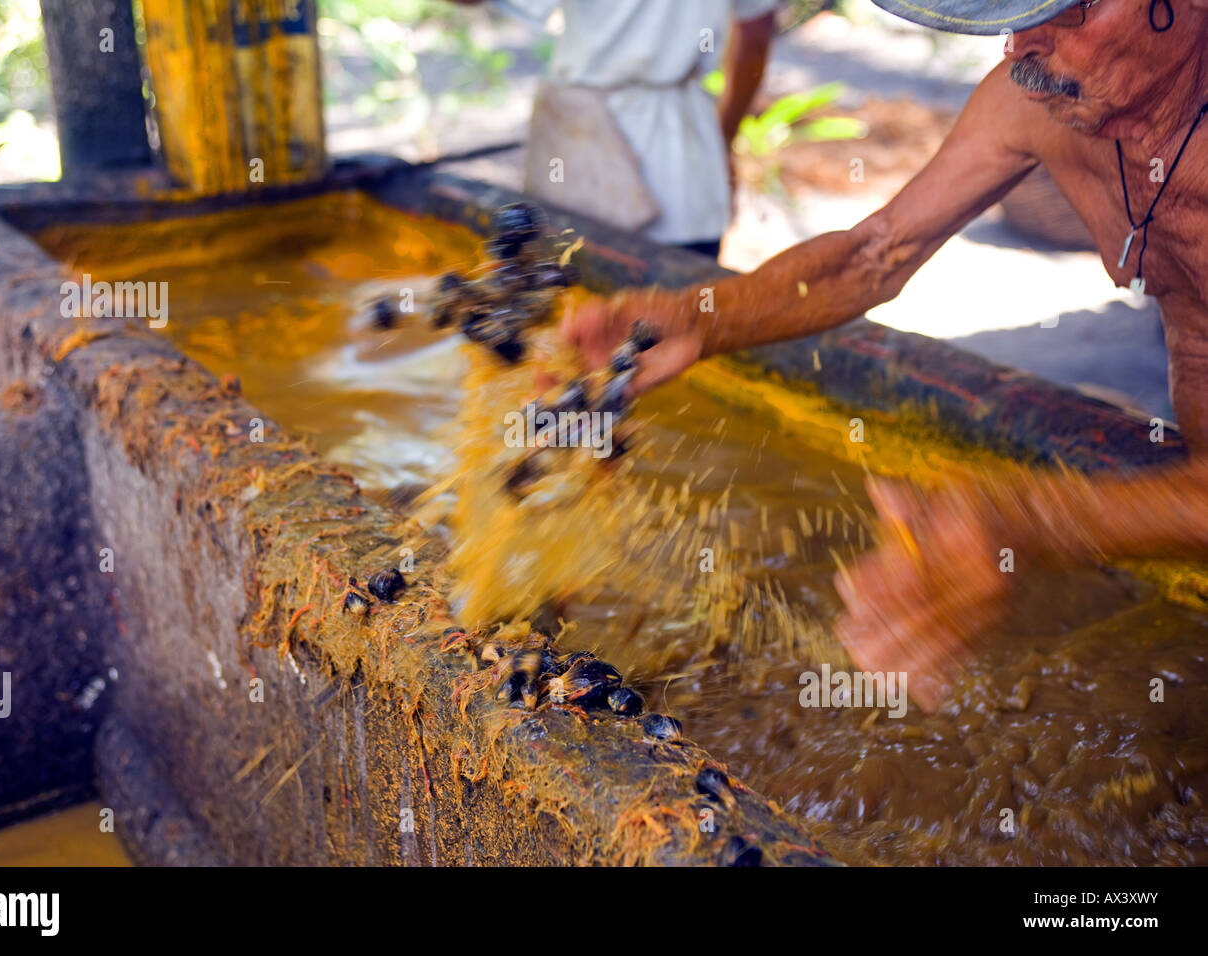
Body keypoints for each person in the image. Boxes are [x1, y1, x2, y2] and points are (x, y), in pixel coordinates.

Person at [562, 0, 1208, 710]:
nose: (1020, 46)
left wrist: (1031, 516)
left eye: (1072, 9)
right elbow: (876, 253)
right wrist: (703, 316)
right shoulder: (1031, 106)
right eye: (1016, 13)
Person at [454, 0, 779, 258]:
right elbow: (755, 36)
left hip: (580, 149)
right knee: (681, 315)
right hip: (685, 171)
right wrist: (722, 141)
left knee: (567, 299)